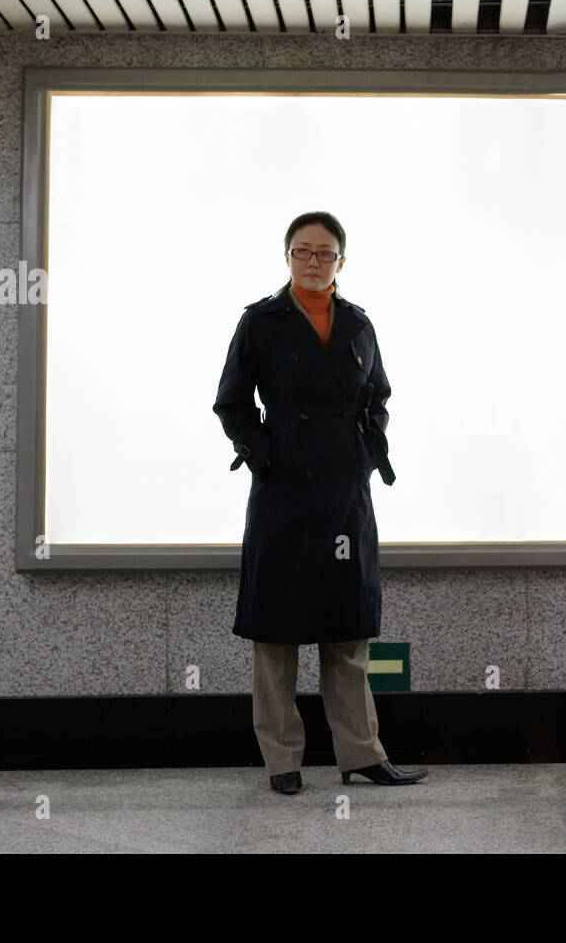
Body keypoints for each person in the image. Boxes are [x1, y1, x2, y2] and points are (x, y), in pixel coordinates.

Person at [212, 211, 428, 795]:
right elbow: (230, 403)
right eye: (303, 251)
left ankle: (361, 754)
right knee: (276, 634)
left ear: (341, 261)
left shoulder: (358, 324)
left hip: (343, 492)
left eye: (324, 252)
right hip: (281, 493)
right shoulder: (259, 322)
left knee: (348, 630)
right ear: (287, 257)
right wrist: (265, 454)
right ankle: (282, 761)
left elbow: (378, 396)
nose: (313, 261)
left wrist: (366, 449)